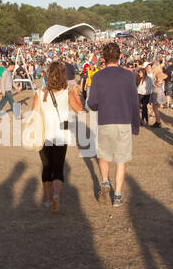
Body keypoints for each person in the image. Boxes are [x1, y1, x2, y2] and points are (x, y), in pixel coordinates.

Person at [85, 42, 139, 207]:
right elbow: (134, 102)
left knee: (103, 155)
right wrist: (135, 125)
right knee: (121, 160)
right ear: (120, 56)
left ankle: (105, 181)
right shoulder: (129, 76)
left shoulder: (97, 76)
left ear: (103, 58)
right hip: (123, 121)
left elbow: (92, 103)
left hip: (105, 121)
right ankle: (117, 195)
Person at [29, 61, 83, 213]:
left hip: (43, 134)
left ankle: (47, 199)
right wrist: (77, 95)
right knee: (58, 167)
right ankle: (56, 195)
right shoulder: (67, 92)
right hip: (61, 135)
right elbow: (80, 110)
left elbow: (33, 113)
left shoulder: (40, 93)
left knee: (47, 167)